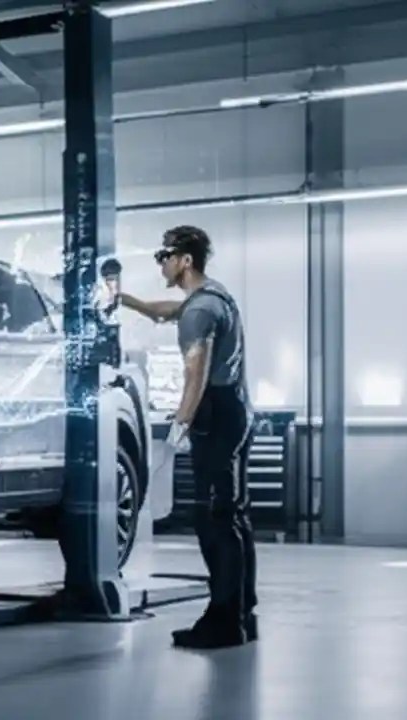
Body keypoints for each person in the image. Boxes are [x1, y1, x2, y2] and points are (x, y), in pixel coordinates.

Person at [118, 225, 258, 649]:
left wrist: (178, 428)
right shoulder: (213, 297)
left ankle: (221, 621)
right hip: (236, 411)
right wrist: (131, 303)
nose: (160, 263)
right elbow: (168, 311)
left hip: (214, 415)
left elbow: (195, 377)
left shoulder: (198, 312)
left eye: (164, 255)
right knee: (233, 515)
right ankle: (242, 614)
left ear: (185, 261)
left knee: (214, 520)